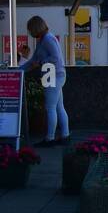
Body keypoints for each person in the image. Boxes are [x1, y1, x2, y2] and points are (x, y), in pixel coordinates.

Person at [14, 16, 69, 147]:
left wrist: (39, 63)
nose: (30, 33)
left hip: (52, 75)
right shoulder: (45, 39)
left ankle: (50, 139)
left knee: (51, 108)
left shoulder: (47, 40)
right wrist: (19, 70)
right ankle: (65, 136)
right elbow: (34, 60)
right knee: (58, 107)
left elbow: (54, 58)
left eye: (30, 30)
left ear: (35, 28)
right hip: (56, 74)